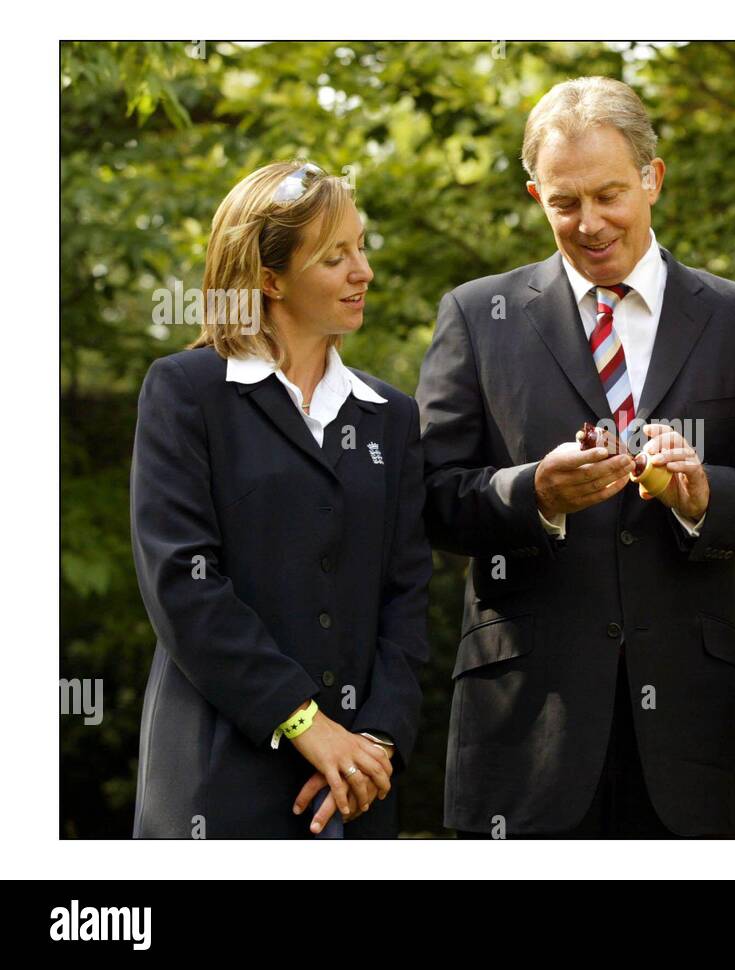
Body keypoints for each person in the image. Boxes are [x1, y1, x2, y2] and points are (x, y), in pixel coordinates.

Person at [419, 77, 735, 837]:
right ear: (536, 195)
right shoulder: (477, 317)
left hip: (692, 736)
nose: (589, 223)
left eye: (609, 195)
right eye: (565, 202)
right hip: (527, 732)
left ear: (653, 179)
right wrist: (535, 495)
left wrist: (704, 497)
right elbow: (431, 498)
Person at [130, 161, 431, 838]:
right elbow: (182, 584)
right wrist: (304, 723)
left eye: (362, 248)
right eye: (336, 257)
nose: (364, 272)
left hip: (357, 787)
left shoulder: (392, 415)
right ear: (270, 279)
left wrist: (376, 741)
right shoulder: (187, 392)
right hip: (218, 781)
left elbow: (406, 596)